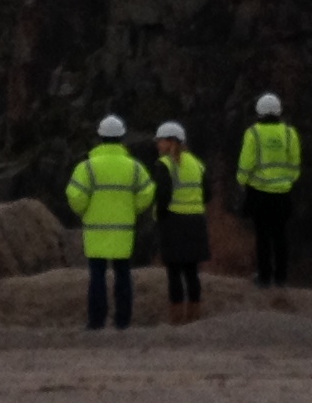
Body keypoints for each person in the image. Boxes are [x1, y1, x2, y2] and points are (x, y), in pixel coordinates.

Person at [66, 114, 157, 331]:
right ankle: (122, 321)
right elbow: (148, 191)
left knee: (97, 276)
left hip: (96, 230)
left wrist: (85, 212)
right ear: (122, 138)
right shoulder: (134, 167)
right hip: (123, 230)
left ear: (100, 137)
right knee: (123, 275)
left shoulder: (87, 167)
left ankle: (96, 321)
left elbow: (75, 196)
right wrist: (133, 209)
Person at [238, 93, 302, 287]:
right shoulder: (290, 133)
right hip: (283, 193)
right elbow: (295, 163)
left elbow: (246, 163)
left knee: (263, 236)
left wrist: (242, 182)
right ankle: (281, 277)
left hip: (259, 193)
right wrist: (287, 181)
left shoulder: (253, 133)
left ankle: (264, 277)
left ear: (259, 112)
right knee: (281, 235)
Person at [150, 121, 209, 323]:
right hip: (196, 222)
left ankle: (176, 319)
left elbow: (163, 195)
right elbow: (207, 193)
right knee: (192, 272)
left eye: (160, 141)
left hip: (173, 222)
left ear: (170, 142)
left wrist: (159, 214)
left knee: (174, 273)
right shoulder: (198, 164)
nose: (158, 145)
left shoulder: (164, 165)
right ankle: (194, 317)